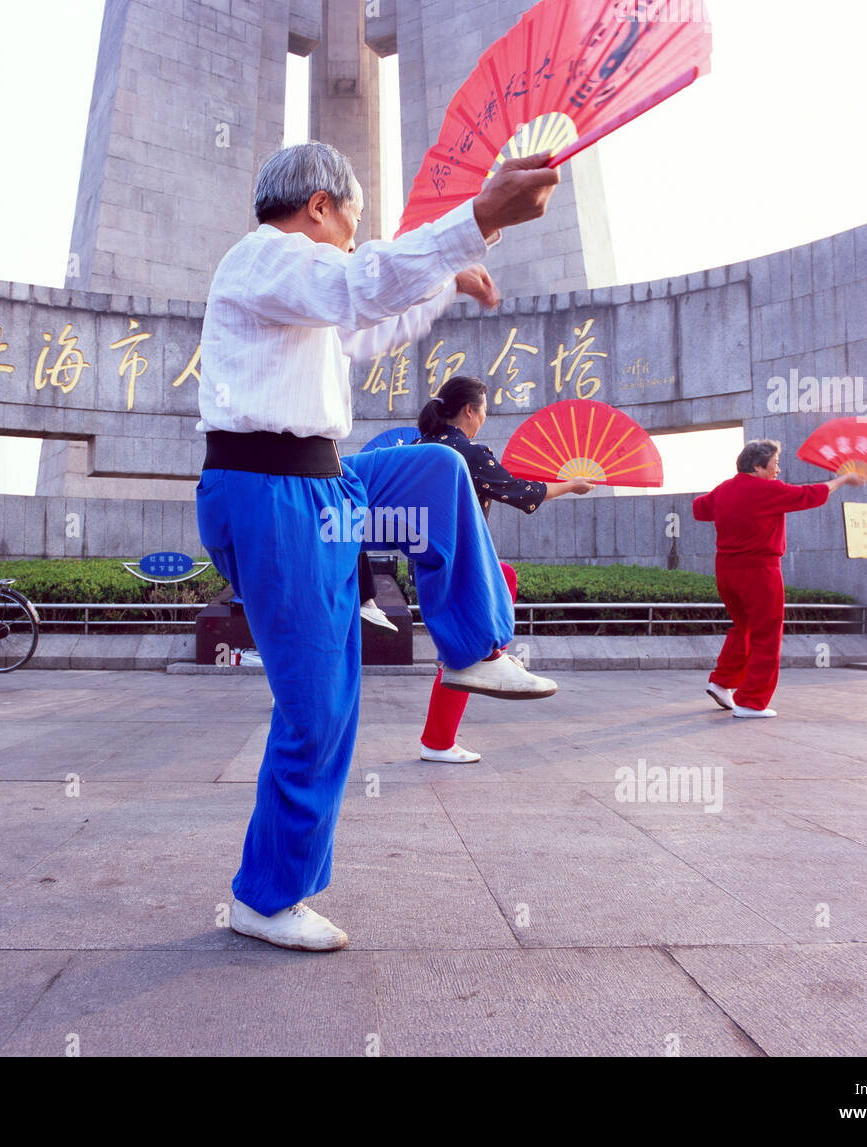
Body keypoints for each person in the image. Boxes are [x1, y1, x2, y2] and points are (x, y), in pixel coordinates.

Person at [197, 141, 563, 951]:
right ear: (319, 205)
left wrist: (452, 274)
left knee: (435, 470)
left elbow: (365, 328)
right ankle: (266, 896)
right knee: (320, 709)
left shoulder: (297, 295)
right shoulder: (265, 259)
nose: (356, 241)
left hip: (326, 489)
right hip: (272, 496)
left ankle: (472, 647)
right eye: (353, 223)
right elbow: (359, 287)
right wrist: (474, 223)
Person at [414, 376, 594, 762]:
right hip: (464, 562)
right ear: (469, 410)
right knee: (472, 645)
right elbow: (522, 492)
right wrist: (570, 483)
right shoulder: (467, 453)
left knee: (460, 656)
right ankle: (491, 655)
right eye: (484, 409)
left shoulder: (417, 449)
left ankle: (440, 737)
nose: (484, 417)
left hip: (427, 561)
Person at [692, 439, 864, 717]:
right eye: (774, 465)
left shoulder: (724, 489)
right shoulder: (767, 490)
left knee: (744, 628)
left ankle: (722, 682)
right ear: (758, 466)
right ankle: (751, 702)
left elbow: (699, 508)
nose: (778, 471)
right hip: (759, 569)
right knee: (767, 636)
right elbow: (812, 494)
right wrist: (844, 479)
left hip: (726, 570)